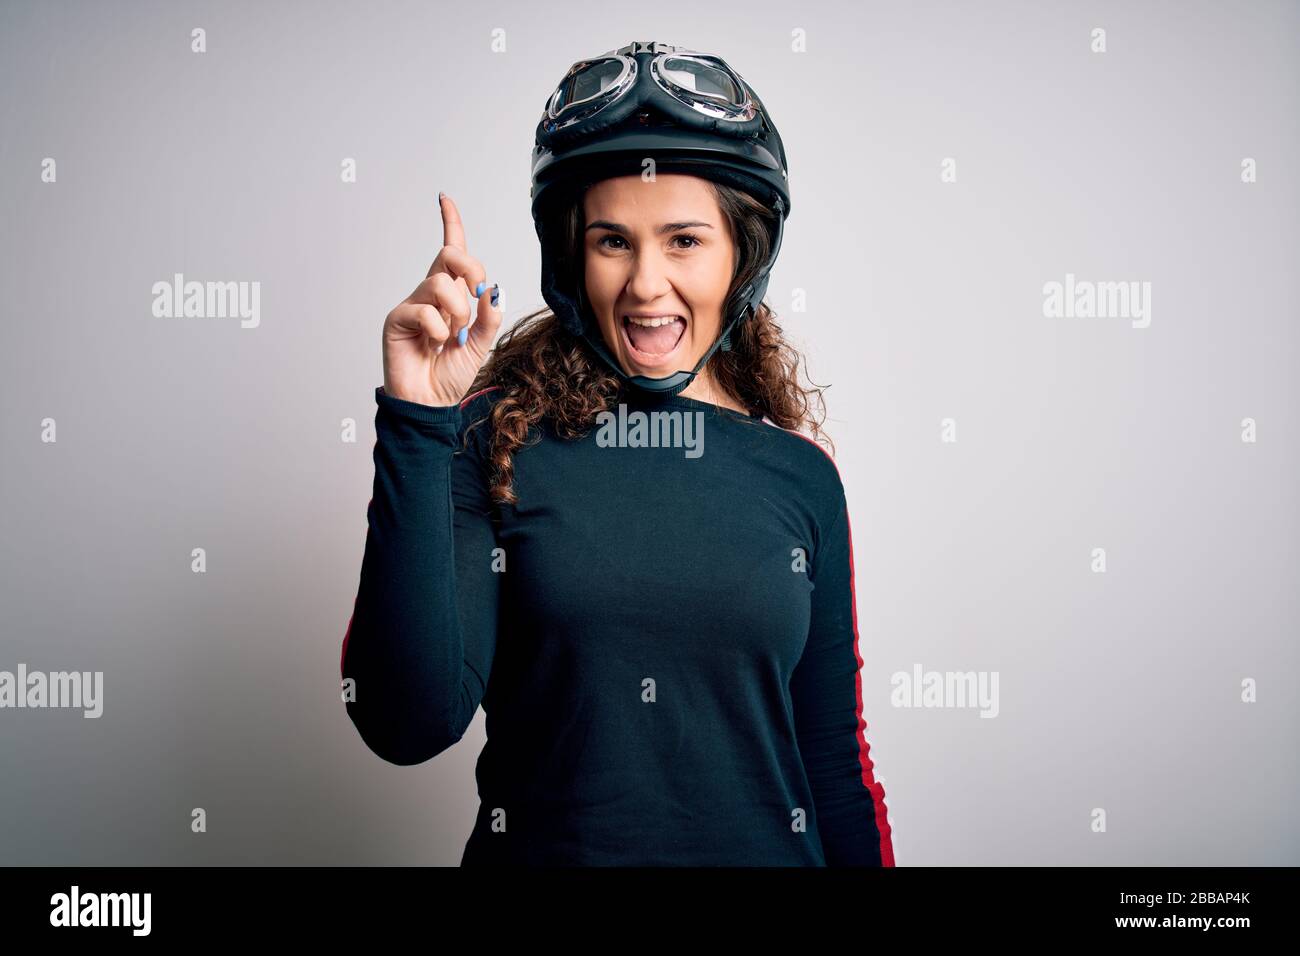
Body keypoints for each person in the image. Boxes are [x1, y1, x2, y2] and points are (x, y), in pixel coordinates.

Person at [341, 40, 894, 866]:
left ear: (741, 254)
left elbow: (835, 766)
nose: (644, 283)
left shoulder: (801, 477)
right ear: (571, 257)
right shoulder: (488, 442)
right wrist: (420, 422)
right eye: (612, 242)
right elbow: (405, 722)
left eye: (683, 241)